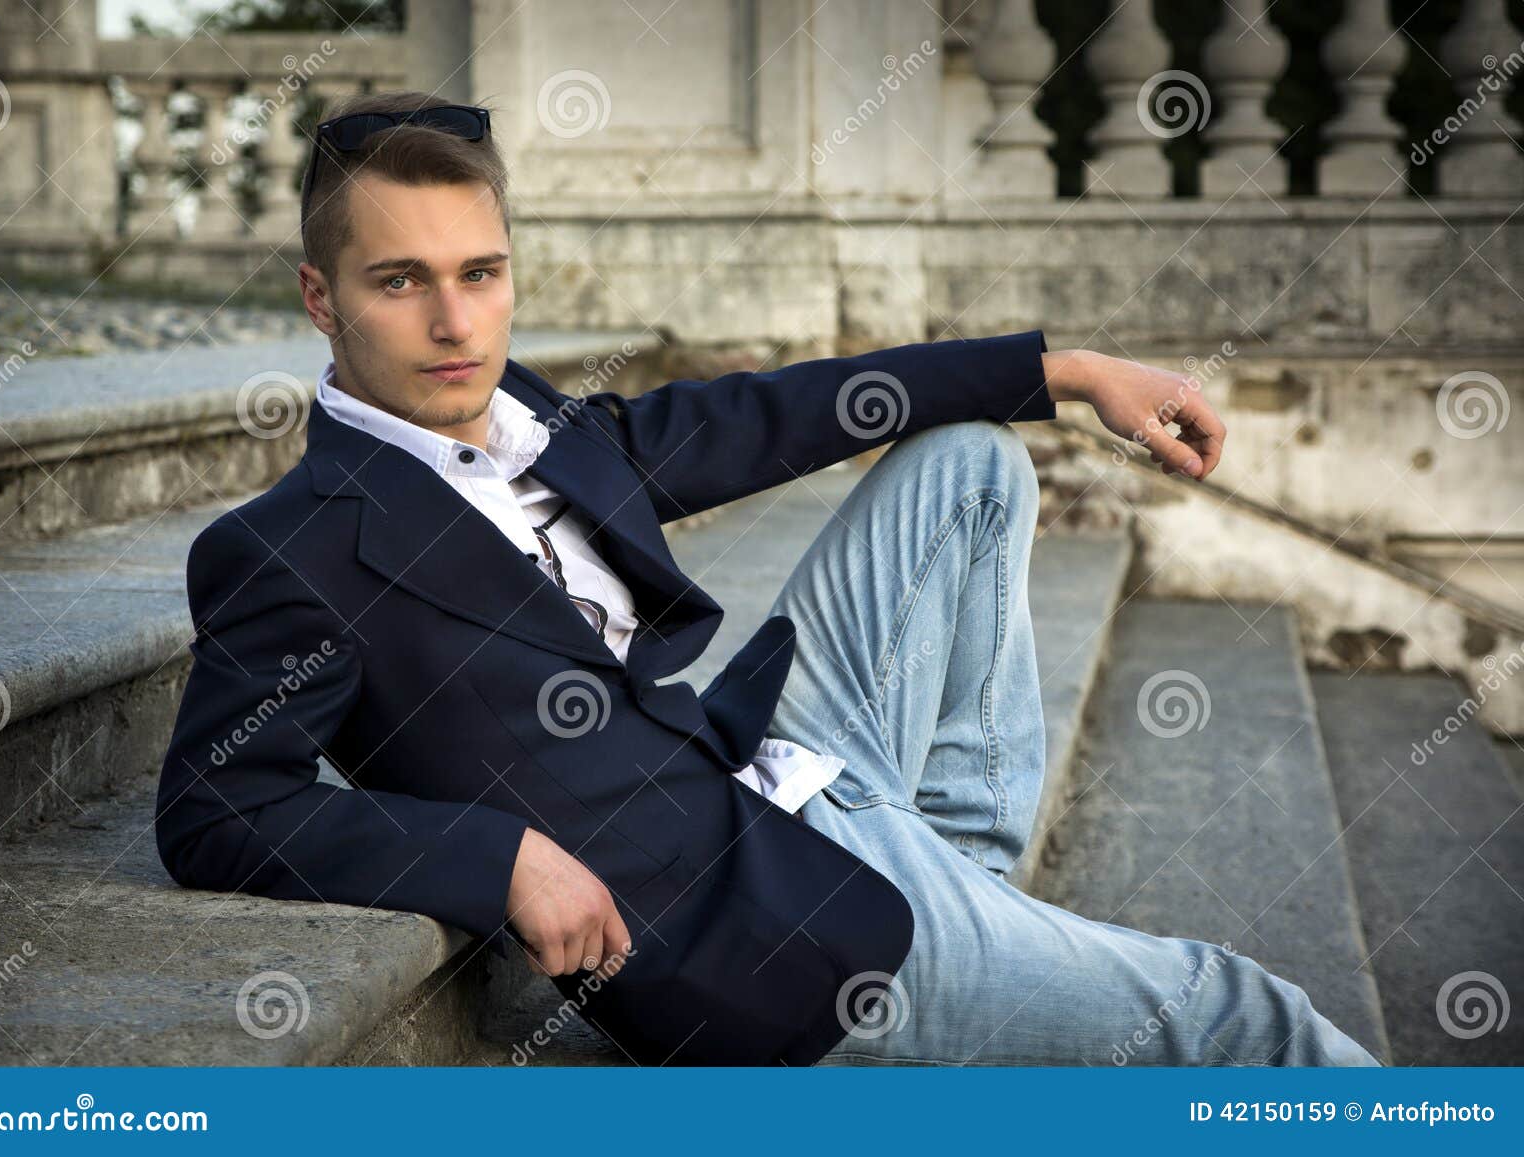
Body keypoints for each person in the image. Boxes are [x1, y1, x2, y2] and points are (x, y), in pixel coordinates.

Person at [155, 89, 1378, 1066]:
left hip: (776, 771)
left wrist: (1067, 367)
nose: (456, 324)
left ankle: (964, 881)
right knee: (1240, 1015)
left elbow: (766, 412)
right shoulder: (292, 545)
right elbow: (218, 811)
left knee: (967, 466)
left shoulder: (521, 412)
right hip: (753, 927)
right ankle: (952, 953)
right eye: (400, 281)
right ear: (321, 297)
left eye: (481, 273)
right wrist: (502, 859)